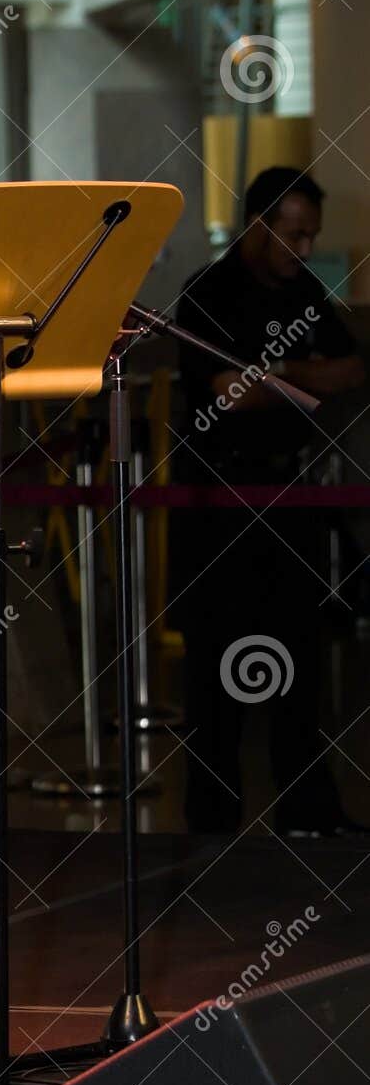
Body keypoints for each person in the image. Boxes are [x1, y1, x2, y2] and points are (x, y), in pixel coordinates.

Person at [169, 166, 366, 838]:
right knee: (214, 677)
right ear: (258, 225)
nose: (304, 250)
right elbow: (228, 391)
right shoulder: (208, 293)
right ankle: (211, 826)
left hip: (290, 495)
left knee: (299, 664)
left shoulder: (305, 289)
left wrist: (276, 374)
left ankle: (309, 811)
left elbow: (351, 367)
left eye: (311, 236)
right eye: (292, 235)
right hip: (216, 501)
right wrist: (291, 378)